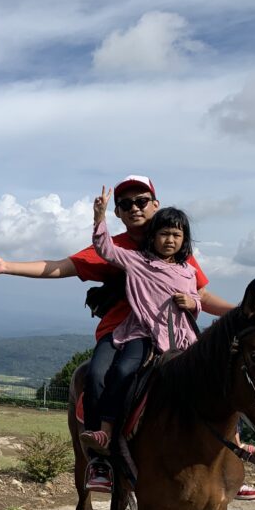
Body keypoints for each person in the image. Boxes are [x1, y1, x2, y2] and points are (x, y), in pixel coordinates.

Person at [0, 175, 235, 493]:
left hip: (172, 334)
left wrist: (244, 313)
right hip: (124, 332)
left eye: (141, 201)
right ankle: (100, 458)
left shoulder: (172, 241)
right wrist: (7, 266)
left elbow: (200, 294)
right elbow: (63, 266)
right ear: (118, 212)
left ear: (155, 205)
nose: (134, 208)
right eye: (126, 204)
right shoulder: (121, 249)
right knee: (98, 375)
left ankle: (229, 461)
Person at [79, 189, 201, 455]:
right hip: (144, 334)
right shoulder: (137, 262)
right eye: (164, 234)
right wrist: (99, 218)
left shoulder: (189, 272)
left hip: (181, 338)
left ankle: (234, 445)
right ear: (153, 237)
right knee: (122, 371)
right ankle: (106, 432)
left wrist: (193, 304)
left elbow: (196, 298)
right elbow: (105, 249)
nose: (170, 240)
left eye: (176, 235)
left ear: (184, 240)